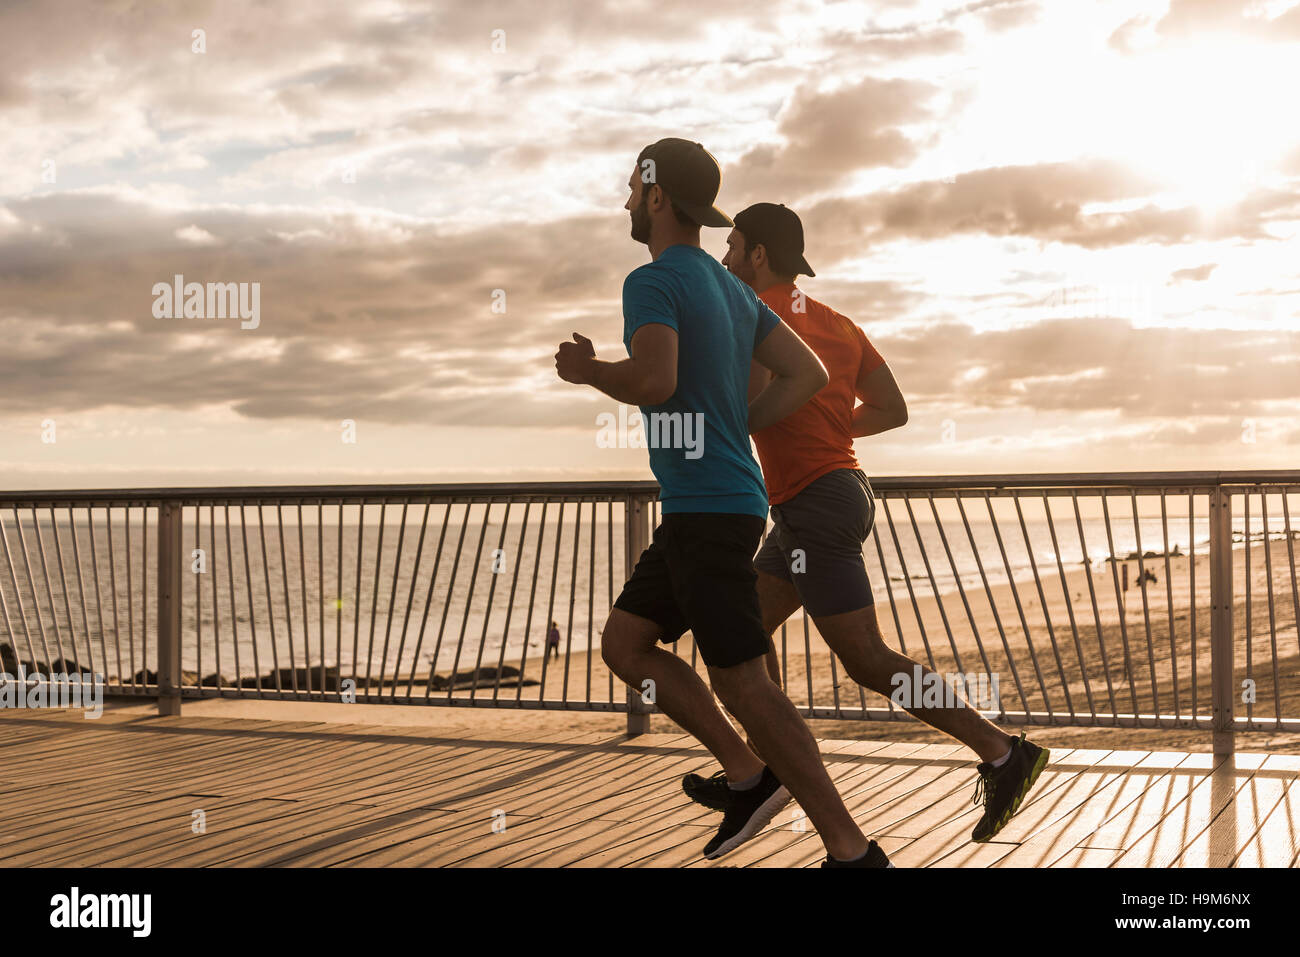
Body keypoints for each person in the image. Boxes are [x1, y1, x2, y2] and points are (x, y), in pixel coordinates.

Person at [554, 139, 892, 867]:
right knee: (625, 643)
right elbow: (808, 372)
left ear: (655, 196)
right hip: (715, 504)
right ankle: (747, 773)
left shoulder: (652, 281)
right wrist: (739, 422)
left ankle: (850, 848)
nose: (625, 200)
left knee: (742, 680)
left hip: (709, 507)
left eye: (632, 188)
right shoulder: (731, 287)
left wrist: (589, 371)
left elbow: (654, 380)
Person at [674, 202, 1048, 844]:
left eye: (733, 246)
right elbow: (892, 408)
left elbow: (745, 407)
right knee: (742, 641)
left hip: (817, 503)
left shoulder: (754, 319)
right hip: (830, 495)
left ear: (758, 254)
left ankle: (1002, 752)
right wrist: (826, 427)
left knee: (868, 660)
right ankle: (768, 766)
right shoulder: (839, 325)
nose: (726, 257)